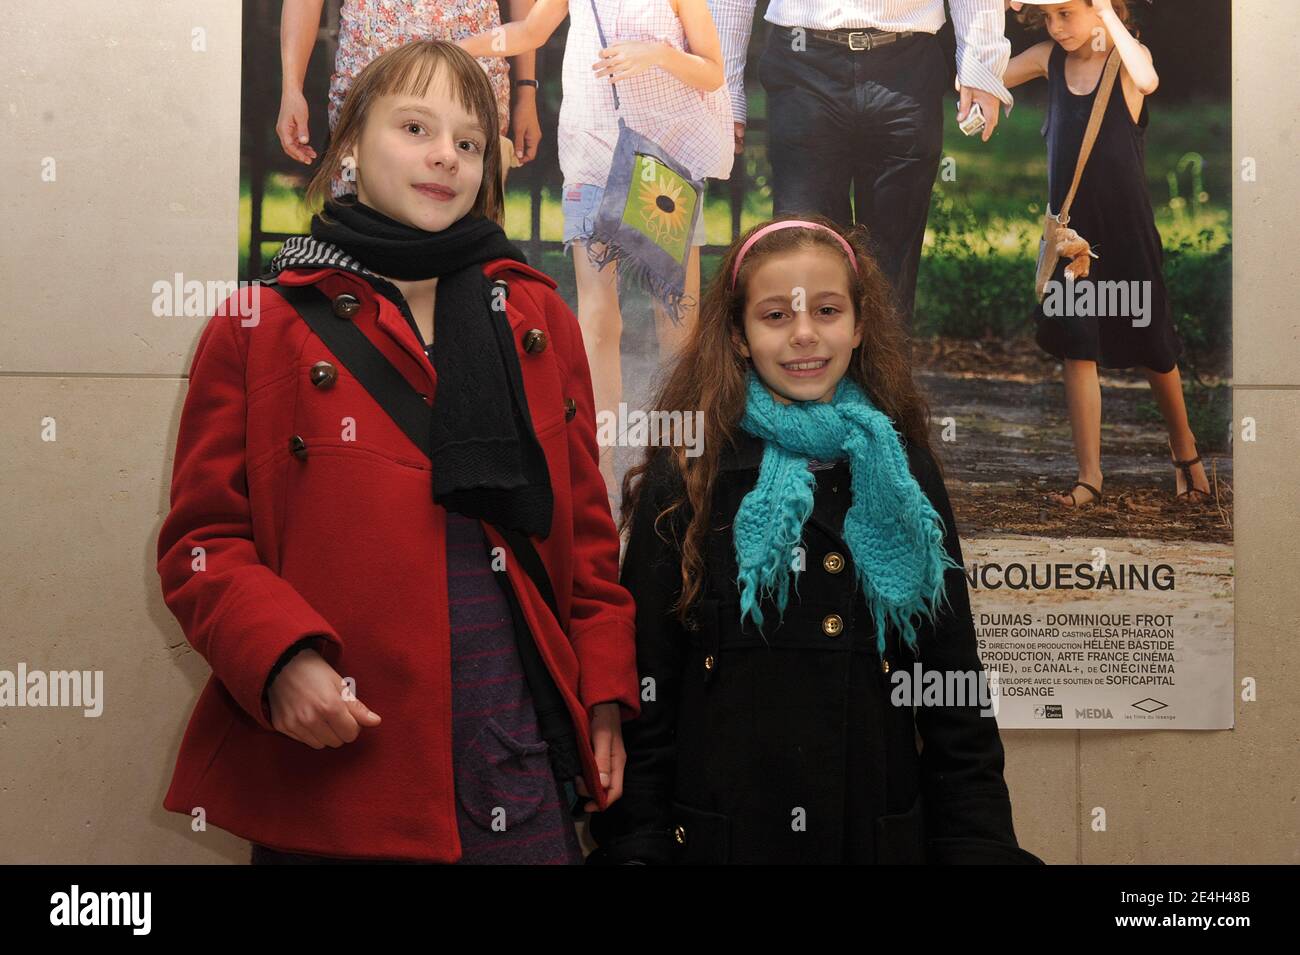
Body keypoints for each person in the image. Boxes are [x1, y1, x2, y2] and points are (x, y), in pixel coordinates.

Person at [158, 40, 639, 863]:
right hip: (343, 761)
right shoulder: (258, 324)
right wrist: (278, 660)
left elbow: (588, 537)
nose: (444, 155)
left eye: (468, 141)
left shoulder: (537, 316)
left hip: (516, 750)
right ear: (349, 144)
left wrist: (601, 694)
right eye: (415, 126)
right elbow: (202, 542)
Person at [587, 214, 1041, 864]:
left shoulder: (904, 474)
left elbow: (955, 705)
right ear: (740, 336)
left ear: (858, 327)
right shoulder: (687, 475)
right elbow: (647, 709)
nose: (804, 333)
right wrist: (637, 848)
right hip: (719, 841)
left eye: (826, 310)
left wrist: (980, 847)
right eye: (775, 315)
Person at [459, 0, 735, 508]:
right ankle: (600, 469)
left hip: (661, 164)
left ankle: (679, 464)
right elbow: (529, 32)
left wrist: (653, 53)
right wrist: (459, 48)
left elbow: (713, 72)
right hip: (590, 156)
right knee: (598, 320)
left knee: (677, 319)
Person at [1004, 0, 1211, 508]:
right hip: (1071, 238)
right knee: (1078, 348)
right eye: (1045, 16)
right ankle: (1089, 477)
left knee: (1156, 350)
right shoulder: (1047, 58)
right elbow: (982, 73)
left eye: (1066, 13)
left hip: (1127, 233)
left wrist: (1108, 16)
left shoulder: (1125, 60)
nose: (1055, 27)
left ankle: (1185, 452)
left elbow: (1149, 78)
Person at [712, 1, 1015, 330]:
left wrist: (982, 68)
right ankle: (815, 376)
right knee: (804, 242)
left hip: (908, 66)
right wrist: (724, 92)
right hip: (802, 64)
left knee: (891, 259)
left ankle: (883, 378)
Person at [276, 0, 544, 196]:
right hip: (373, 67)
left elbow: (528, 15)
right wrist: (291, 88)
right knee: (362, 208)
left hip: (474, 68)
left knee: (468, 213)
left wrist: (526, 90)